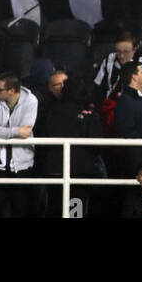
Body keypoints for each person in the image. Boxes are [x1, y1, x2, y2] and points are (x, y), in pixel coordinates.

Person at [37, 76, 104, 217]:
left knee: (54, 206)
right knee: (76, 209)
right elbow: (96, 143)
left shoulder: (51, 111)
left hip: (54, 170)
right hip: (79, 172)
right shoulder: (89, 114)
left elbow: (44, 135)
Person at [0, 73, 40, 218]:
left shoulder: (31, 100)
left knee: (21, 209)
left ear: (12, 91)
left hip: (22, 165)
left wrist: (5, 132)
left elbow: (26, 131)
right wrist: (15, 131)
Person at [92, 32, 142, 105]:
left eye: (126, 52)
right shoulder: (109, 60)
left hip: (134, 108)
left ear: (134, 50)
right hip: (111, 108)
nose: (122, 56)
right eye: (118, 51)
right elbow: (98, 87)